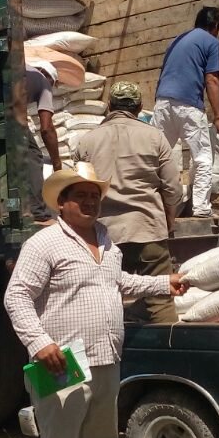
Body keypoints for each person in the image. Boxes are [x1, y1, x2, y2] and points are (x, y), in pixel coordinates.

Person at [3, 162, 187, 438]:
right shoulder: (45, 244)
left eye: (94, 196)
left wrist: (163, 283)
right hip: (62, 364)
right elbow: (17, 297)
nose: (89, 201)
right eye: (80, 195)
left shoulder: (106, 240)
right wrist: (40, 343)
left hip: (106, 359)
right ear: (62, 203)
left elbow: (119, 284)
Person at [73, 81, 183, 323]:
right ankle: (169, 356)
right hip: (148, 232)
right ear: (140, 107)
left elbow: (77, 192)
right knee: (161, 301)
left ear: (109, 106)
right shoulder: (155, 137)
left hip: (104, 237)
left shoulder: (86, 141)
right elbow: (173, 190)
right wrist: (169, 222)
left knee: (104, 301)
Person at [153, 6, 219, 218]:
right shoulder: (212, 42)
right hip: (188, 105)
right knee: (202, 159)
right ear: (215, 26)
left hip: (162, 103)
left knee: (160, 159)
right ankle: (202, 209)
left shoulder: (176, 41)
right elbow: (212, 79)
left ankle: (161, 210)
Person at [23, 61, 62, 222]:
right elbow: (46, 129)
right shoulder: (42, 80)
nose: (50, 88)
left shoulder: (24, 68)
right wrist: (57, 164)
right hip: (10, 113)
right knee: (33, 155)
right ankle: (37, 211)